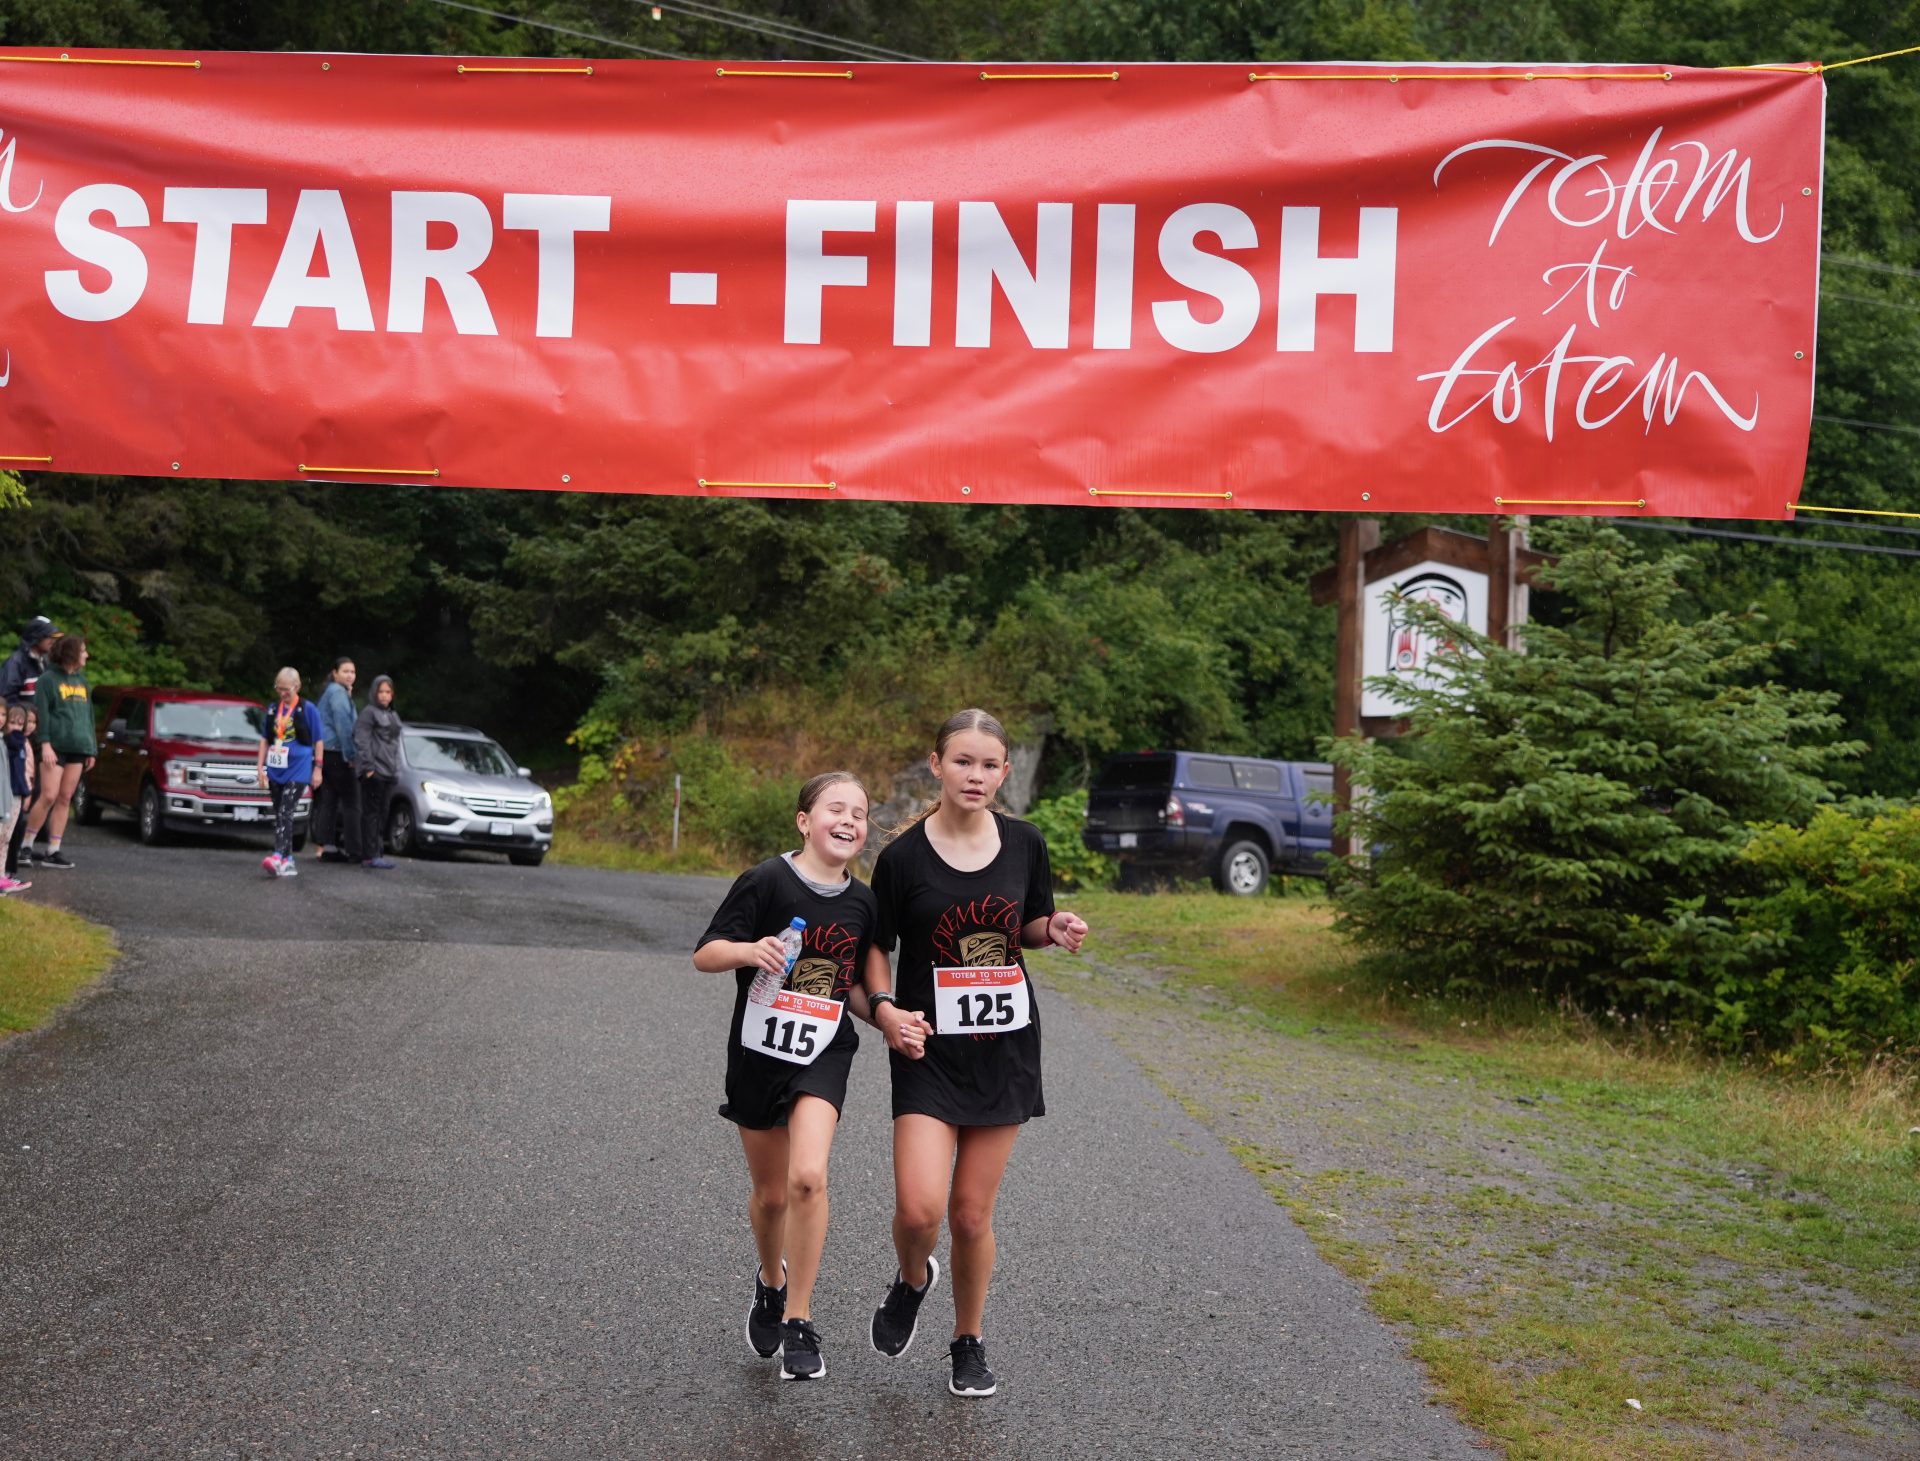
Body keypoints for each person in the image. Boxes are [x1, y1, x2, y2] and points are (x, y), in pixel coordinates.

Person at [863, 709, 1088, 1398]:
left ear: (1004, 772)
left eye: (989, 764)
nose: (977, 775)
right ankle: (911, 1277)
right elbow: (877, 946)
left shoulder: (1025, 842)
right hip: (926, 1047)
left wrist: (1057, 926)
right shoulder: (902, 857)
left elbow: (1027, 925)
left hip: (1003, 1051)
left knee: (969, 1214)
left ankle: (968, 1338)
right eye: (963, 761)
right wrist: (885, 1011)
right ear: (937, 764)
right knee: (920, 1210)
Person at [691, 772, 906, 1383]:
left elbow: (853, 991)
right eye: (835, 808)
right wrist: (749, 950)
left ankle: (800, 1320)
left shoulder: (864, 903)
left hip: (823, 1050)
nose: (849, 820)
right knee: (772, 1195)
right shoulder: (766, 880)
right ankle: (771, 1280)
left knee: (808, 1178)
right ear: (804, 820)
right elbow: (706, 952)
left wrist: (889, 1021)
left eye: (860, 813)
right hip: (759, 1051)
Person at [22, 634, 97, 870]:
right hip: (54, 747)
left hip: (79, 748)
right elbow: (42, 713)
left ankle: (53, 850)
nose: (86, 655)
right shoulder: (48, 680)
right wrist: (44, 744)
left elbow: (89, 717)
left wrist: (91, 749)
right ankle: (26, 845)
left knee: (66, 798)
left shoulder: (83, 683)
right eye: (83, 650)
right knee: (49, 795)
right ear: (71, 653)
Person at [253, 667, 324, 878]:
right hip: (276, 768)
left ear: (297, 687)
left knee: (286, 811)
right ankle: (288, 859)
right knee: (282, 813)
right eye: (279, 688)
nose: (283, 693)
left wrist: (318, 769)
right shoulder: (273, 709)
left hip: (299, 768)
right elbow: (265, 738)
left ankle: (277, 856)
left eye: (287, 689)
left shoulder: (308, 709)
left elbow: (318, 740)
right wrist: (260, 766)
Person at [312, 657, 360, 862]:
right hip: (338, 752)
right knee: (351, 802)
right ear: (335, 673)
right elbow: (344, 726)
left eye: (353, 672)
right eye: (346, 671)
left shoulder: (331, 692)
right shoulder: (338, 693)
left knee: (329, 800)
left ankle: (326, 845)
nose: (350, 675)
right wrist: (351, 755)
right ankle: (355, 850)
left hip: (325, 752)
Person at [352, 675, 401, 871]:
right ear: (374, 693)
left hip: (390, 771)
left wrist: (396, 768)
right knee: (371, 813)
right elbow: (361, 740)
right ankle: (369, 854)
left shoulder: (392, 714)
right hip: (375, 771)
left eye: (388, 692)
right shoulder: (368, 713)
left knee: (383, 813)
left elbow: (395, 744)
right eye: (381, 691)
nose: (384, 696)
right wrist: (369, 767)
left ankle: (378, 851)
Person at [0, 703, 31, 894]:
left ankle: (2, 874)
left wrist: (26, 791)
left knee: (6, 838)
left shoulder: (21, 744)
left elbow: (23, 771)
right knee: (1, 835)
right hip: (6, 794)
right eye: (12, 722)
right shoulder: (9, 743)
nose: (16, 728)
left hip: (18, 793)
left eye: (21, 725)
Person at [0, 615, 57, 710]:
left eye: (54, 636)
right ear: (36, 636)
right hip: (23, 723)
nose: (53, 641)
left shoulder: (48, 662)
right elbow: (6, 699)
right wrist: (27, 717)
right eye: (48, 636)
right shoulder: (15, 663)